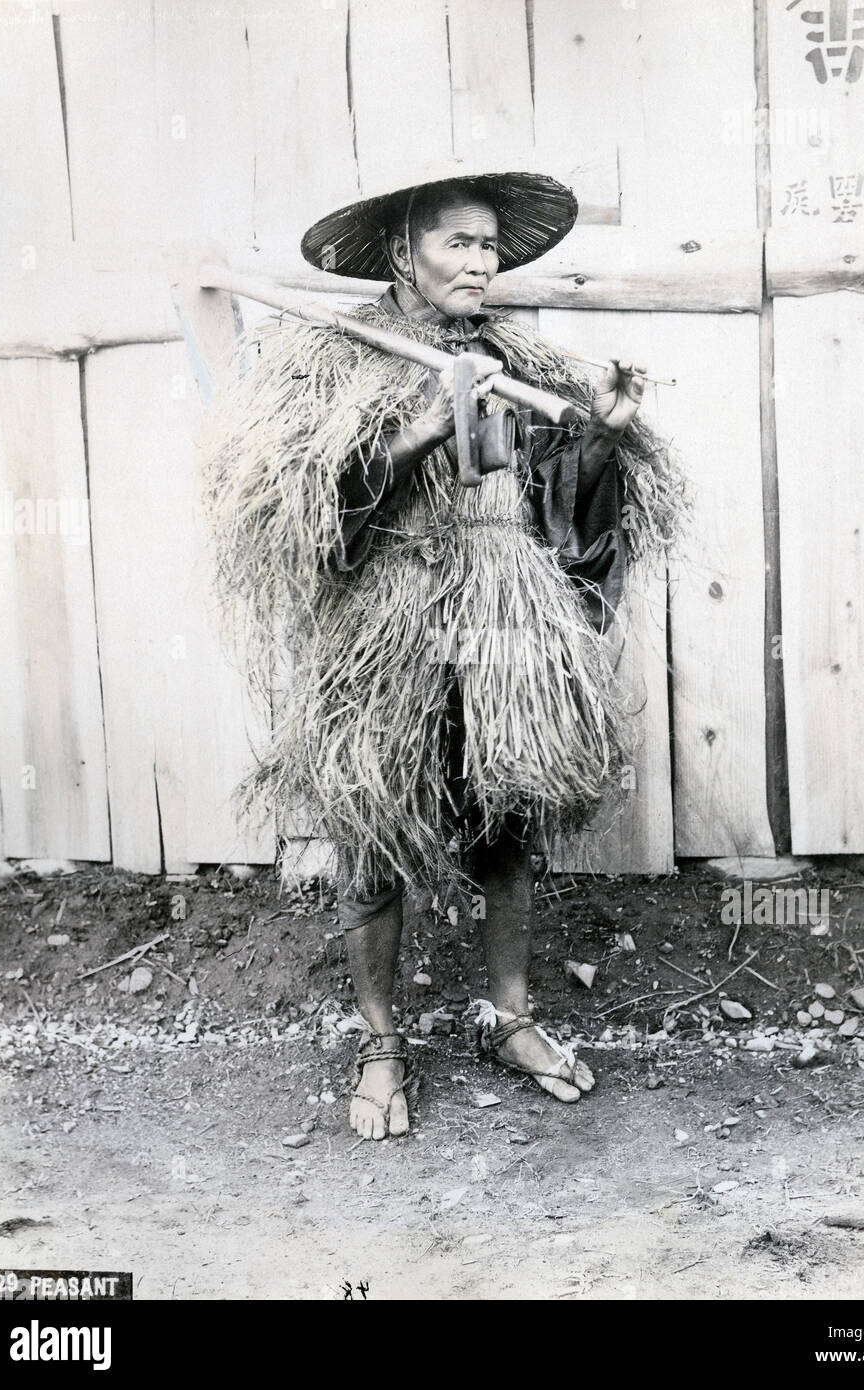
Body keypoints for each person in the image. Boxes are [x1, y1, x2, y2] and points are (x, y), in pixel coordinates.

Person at [204, 170, 685, 1141]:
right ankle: (382, 1041)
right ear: (400, 255)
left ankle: (507, 1016)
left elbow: (569, 523)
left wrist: (602, 439)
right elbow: (297, 523)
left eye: (489, 245)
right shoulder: (333, 360)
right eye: (459, 242)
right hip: (388, 626)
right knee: (374, 832)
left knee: (506, 822)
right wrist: (413, 435)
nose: (481, 261)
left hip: (506, 629)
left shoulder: (517, 360)